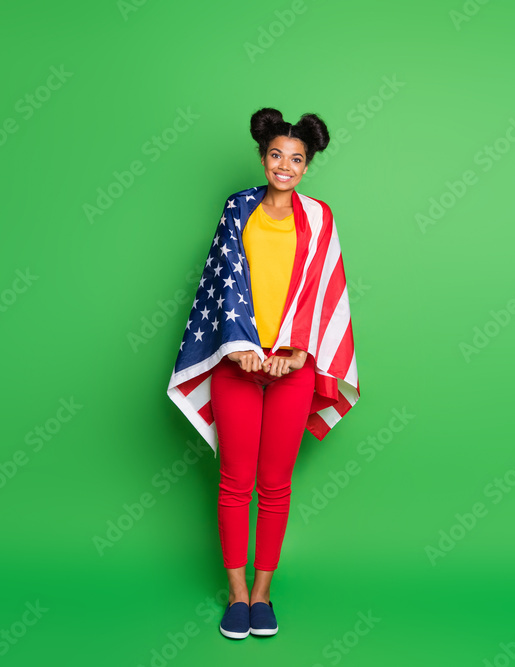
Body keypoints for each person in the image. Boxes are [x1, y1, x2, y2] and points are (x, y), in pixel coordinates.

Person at [214, 107, 331, 639]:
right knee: (235, 482)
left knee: (276, 486)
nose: (285, 166)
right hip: (238, 363)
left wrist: (299, 352)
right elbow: (221, 282)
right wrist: (237, 347)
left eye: (296, 159)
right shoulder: (237, 209)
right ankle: (236, 596)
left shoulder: (319, 217)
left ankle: (263, 594)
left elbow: (322, 294)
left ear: (307, 167)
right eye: (276, 155)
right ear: (263, 157)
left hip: (292, 366)